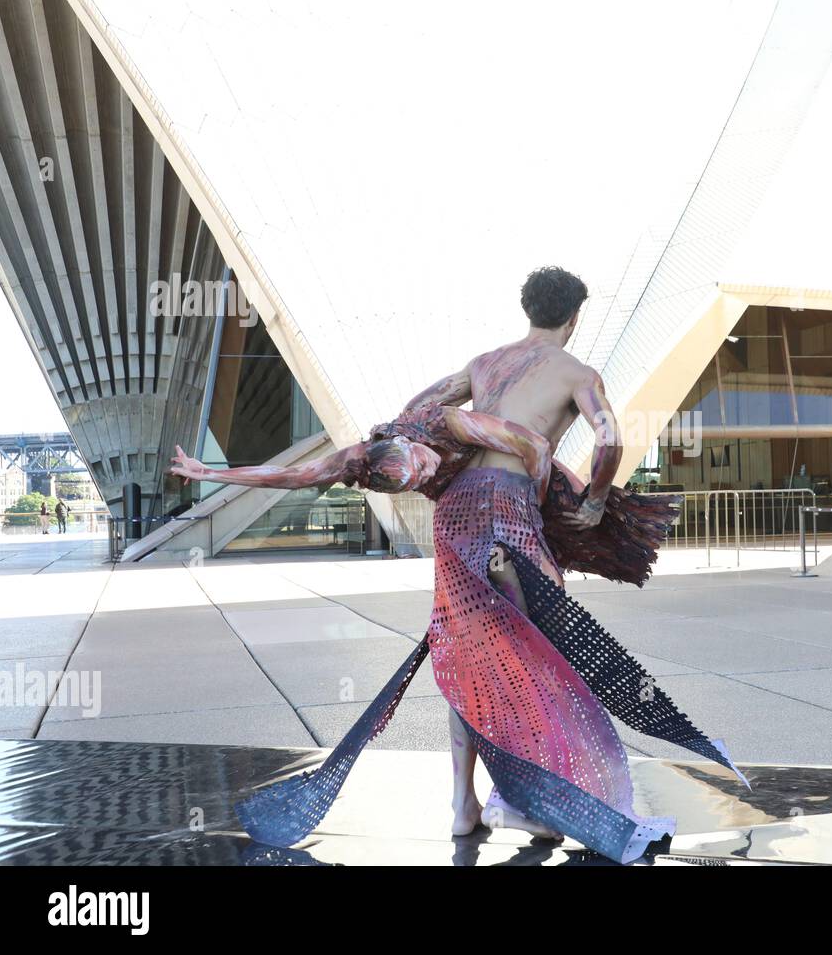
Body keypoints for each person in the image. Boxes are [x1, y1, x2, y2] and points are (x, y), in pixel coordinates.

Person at [172, 266, 744, 863]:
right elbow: (608, 439)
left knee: (466, 655)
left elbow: (410, 416)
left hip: (457, 514)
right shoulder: (578, 373)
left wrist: (212, 472)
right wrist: (595, 504)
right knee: (542, 655)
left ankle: (463, 804)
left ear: (529, 311)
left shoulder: (483, 365)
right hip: (509, 512)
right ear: (574, 319)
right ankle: (541, 800)